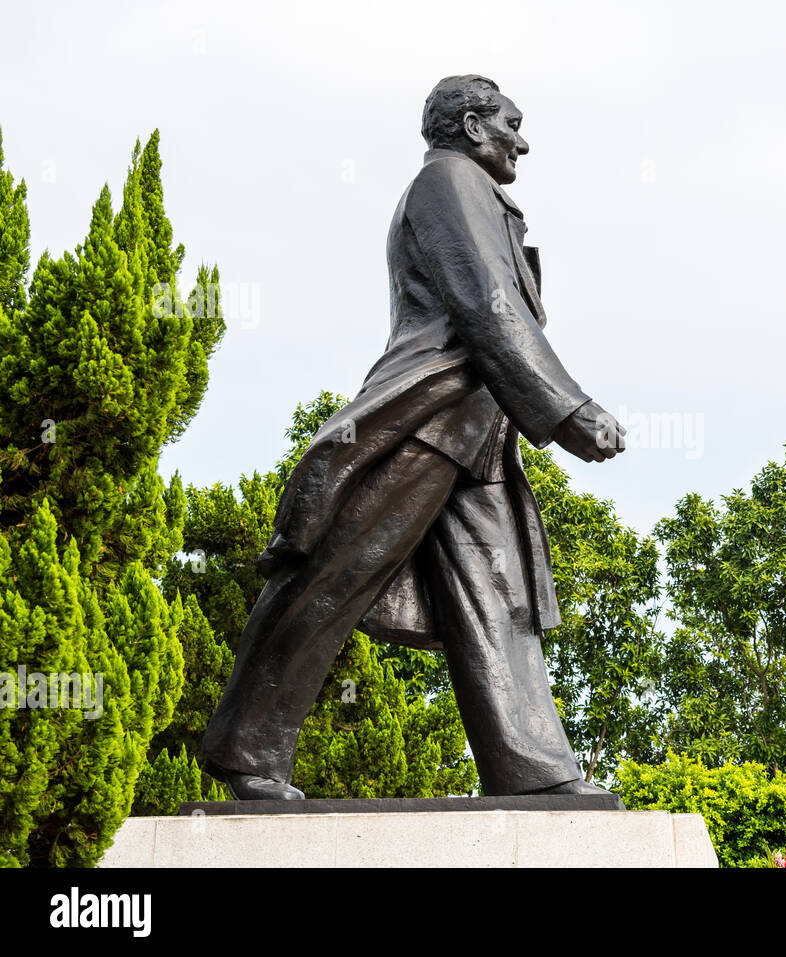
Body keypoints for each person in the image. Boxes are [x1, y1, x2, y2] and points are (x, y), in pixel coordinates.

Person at [202, 75, 625, 800]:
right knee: (330, 576)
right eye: (511, 124)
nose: (522, 140)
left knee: (499, 597)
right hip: (425, 420)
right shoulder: (451, 184)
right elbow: (488, 304)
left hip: (476, 430)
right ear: (469, 126)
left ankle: (531, 767)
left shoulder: (474, 190)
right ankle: (246, 747)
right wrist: (568, 408)